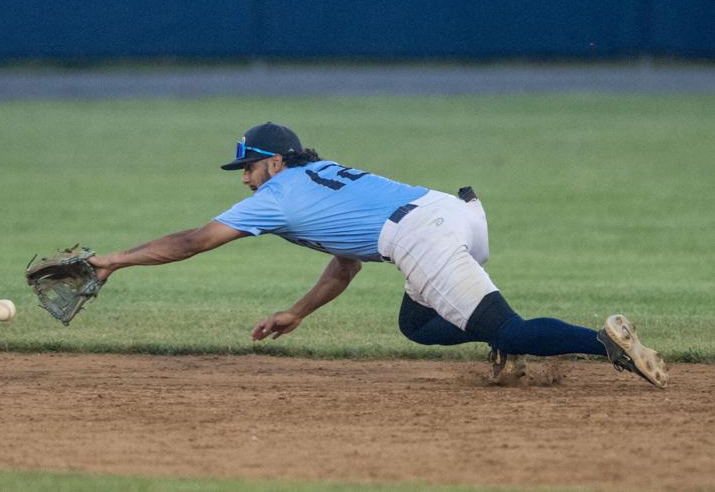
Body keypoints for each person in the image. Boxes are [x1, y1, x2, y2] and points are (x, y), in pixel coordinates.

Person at [88, 122, 669, 388]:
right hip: (454, 211)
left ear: (276, 162)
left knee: (510, 329)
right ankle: (503, 343)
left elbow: (192, 242)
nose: (244, 180)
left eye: (248, 166)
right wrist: (298, 312)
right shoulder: (318, 175)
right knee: (416, 322)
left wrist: (113, 259)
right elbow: (345, 262)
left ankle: (603, 342)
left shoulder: (280, 192)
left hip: (420, 237)